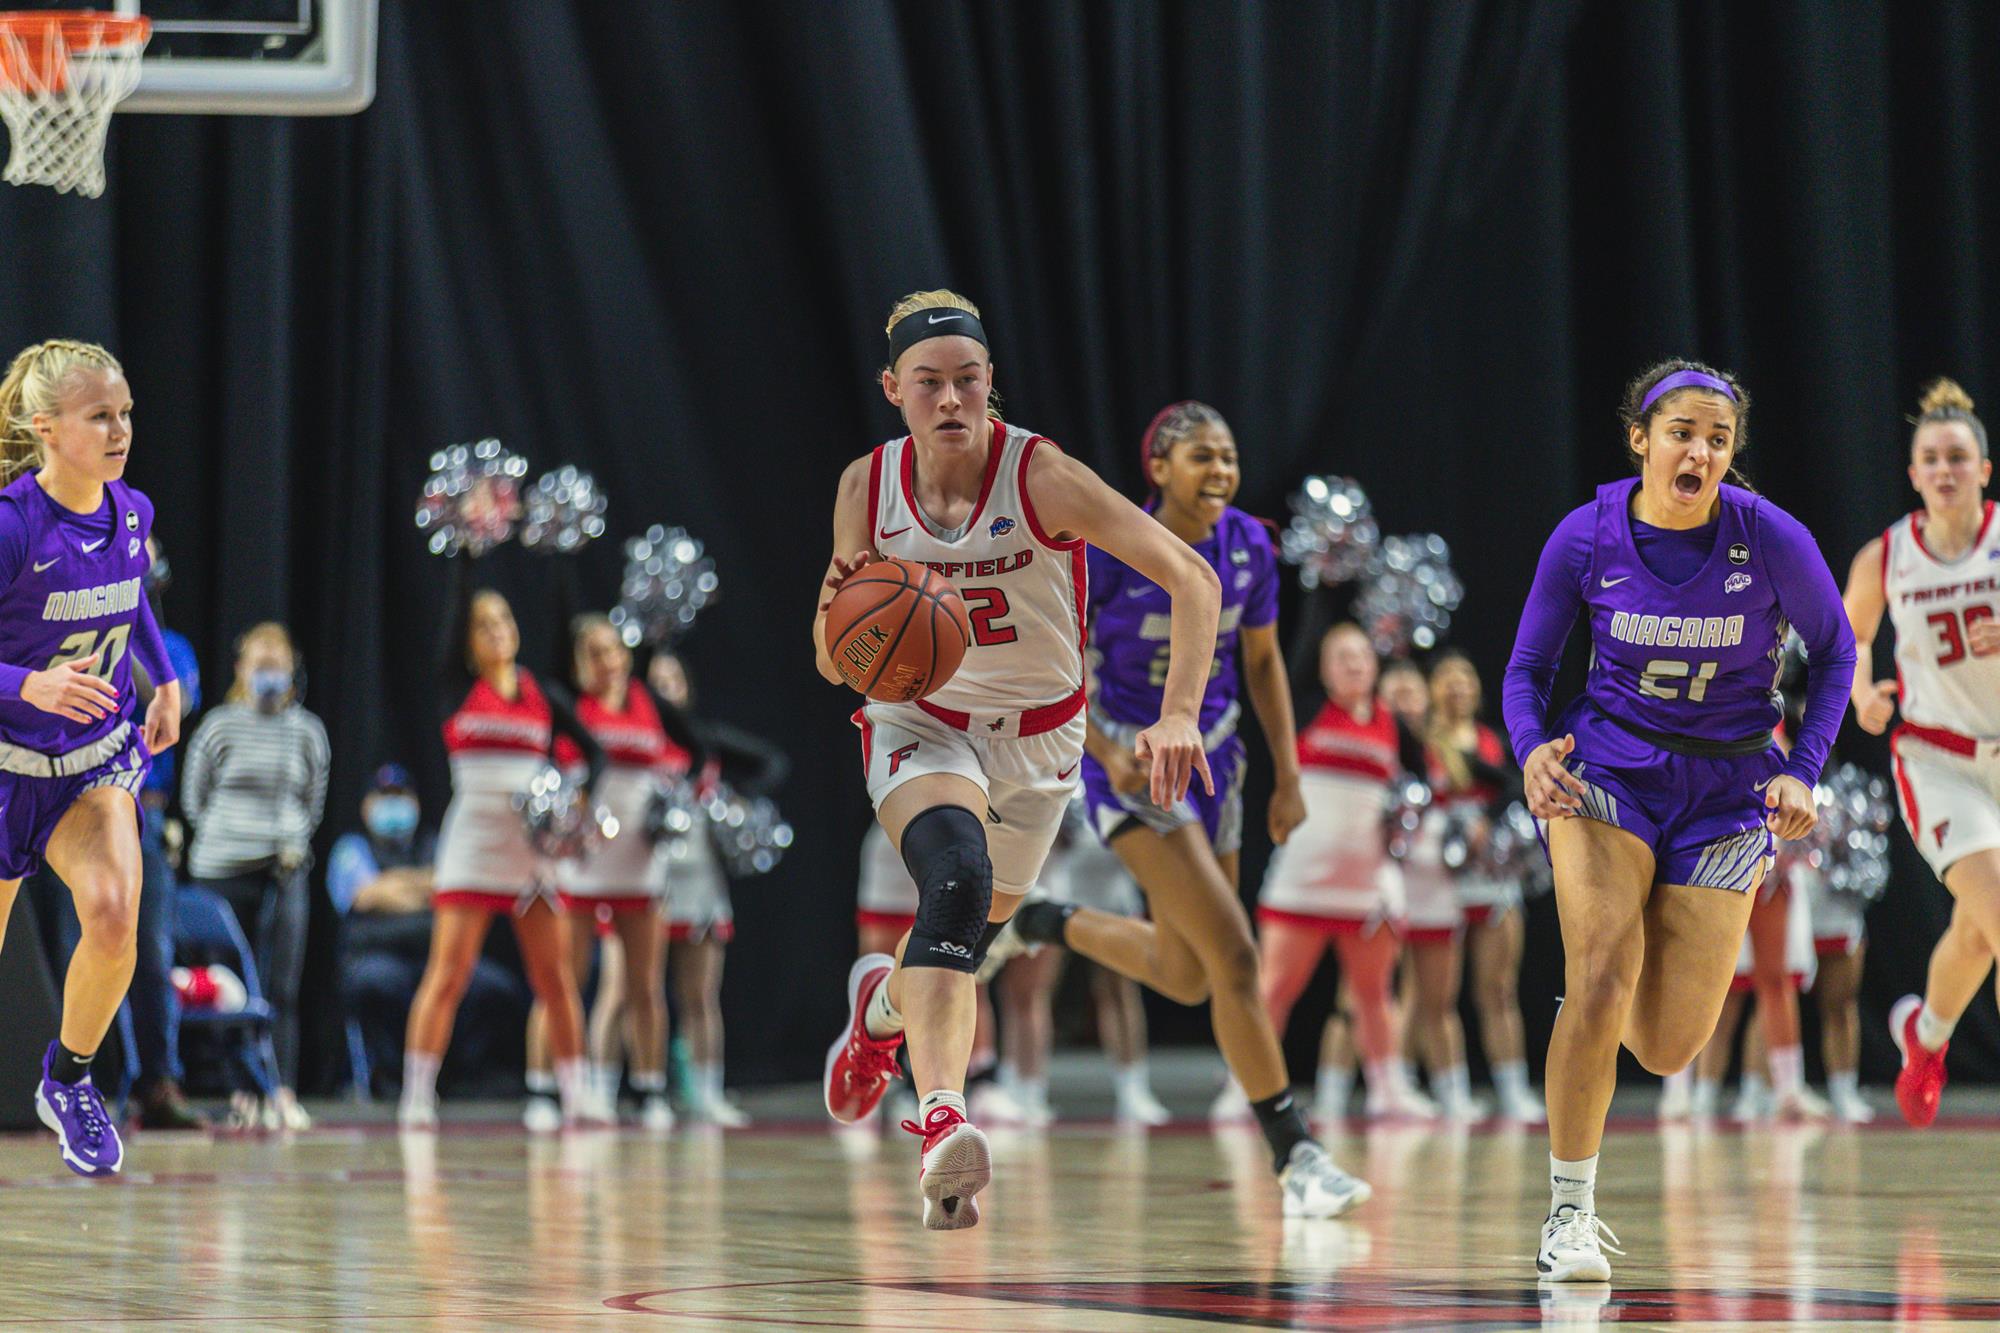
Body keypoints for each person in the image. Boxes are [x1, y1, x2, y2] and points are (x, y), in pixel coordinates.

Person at [816, 294, 1249, 1232]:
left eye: (967, 380)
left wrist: (1178, 714)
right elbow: (831, 655)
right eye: (928, 383)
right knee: (954, 877)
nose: (950, 399)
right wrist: (847, 621)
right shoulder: (866, 486)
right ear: (893, 389)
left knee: (963, 934)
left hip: (1041, 741)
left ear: (989, 384)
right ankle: (943, 1123)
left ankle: (877, 1013)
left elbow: (1195, 577)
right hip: (923, 720)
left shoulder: (1040, 476)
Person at [1503, 359, 1854, 1282]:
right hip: (1609, 767)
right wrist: (1531, 749)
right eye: (1682, 433)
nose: (1699, 451)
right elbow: (1527, 670)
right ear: (1641, 440)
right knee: (1602, 970)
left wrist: (1804, 771)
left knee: (1665, 1046)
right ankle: (1569, 1214)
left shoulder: (1769, 535)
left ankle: (1589, 1009)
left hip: (1730, 788)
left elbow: (1836, 650)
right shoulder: (1585, 535)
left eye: (1718, 439)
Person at [978, 398, 1369, 1208]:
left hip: (1217, 757)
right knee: (1236, 956)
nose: (1221, 470)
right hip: (1131, 763)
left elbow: (1262, 664)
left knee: (1191, 973)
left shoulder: (1250, 544)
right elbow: (1051, 671)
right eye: (1202, 456)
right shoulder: (1112, 551)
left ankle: (1040, 921)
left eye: (1228, 456)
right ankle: (1295, 1153)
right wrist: (1105, 751)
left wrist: (1287, 773)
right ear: (1157, 468)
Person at [0, 339, 183, 1176]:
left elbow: (131, 593)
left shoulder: (131, 511)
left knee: (113, 914)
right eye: (100, 415)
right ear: (47, 427)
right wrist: (28, 684)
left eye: (127, 413)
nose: (121, 430)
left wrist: (163, 677)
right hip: (7, 763)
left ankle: (69, 1078)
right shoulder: (13, 526)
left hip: (90, 763)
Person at [398, 561, 607, 1129]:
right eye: (482, 624)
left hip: (531, 851)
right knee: (448, 973)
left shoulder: (543, 693)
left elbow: (595, 753)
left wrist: (578, 799)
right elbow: (453, 611)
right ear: (467, 640)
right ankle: (417, 1095)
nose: (495, 630)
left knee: (555, 978)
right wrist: (467, 548)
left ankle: (576, 1096)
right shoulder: (457, 686)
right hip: (472, 845)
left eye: (503, 620)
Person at [1842, 378, 2000, 1129]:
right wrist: (1862, 693)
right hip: (1938, 761)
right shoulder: (1888, 555)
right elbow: (1849, 636)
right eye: (1931, 458)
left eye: (1957, 457)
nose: (1944, 469)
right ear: (1913, 473)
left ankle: (1925, 1036)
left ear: (1984, 469)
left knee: (1977, 929)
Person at [522, 616, 703, 1133]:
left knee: (645, 985)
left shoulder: (649, 702)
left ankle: (648, 1091)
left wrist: (674, 801)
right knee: (563, 982)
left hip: (640, 859)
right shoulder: (570, 706)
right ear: (580, 661)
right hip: (582, 860)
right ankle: (545, 1089)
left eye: (614, 650)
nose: (609, 661)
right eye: (596, 653)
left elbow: (701, 750)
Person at [1253, 622, 1428, 1120]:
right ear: (1324, 669)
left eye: (1361, 656)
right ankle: (1247, 1090)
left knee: (1374, 995)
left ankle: (1387, 1089)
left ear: (1376, 666)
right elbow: (1295, 655)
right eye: (1341, 657)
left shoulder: (1393, 723)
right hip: (1302, 882)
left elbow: (1421, 786)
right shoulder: (1307, 708)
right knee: (1273, 991)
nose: (1353, 665)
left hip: (1367, 887)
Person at [180, 622, 329, 1129]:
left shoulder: (307, 731)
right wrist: (230, 838)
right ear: (241, 670)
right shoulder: (218, 726)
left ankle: (281, 1090)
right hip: (220, 869)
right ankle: (240, 1090)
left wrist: (288, 841)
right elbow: (195, 799)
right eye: (259, 665)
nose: (269, 674)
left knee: (280, 986)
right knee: (229, 988)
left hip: (282, 871)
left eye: (277, 665)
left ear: (293, 672)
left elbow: (313, 801)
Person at [328, 765, 526, 1098]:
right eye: (384, 797)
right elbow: (367, 895)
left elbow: (445, 887)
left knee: (491, 986)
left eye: (400, 796)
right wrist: (420, 886)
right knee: (379, 984)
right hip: (376, 954)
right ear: (366, 806)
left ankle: (460, 1079)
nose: (393, 805)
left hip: (430, 954)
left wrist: (394, 886)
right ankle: (389, 1081)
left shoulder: (434, 843)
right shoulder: (352, 848)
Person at [651, 648, 786, 1128]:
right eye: (656, 681)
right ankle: (645, 1092)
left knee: (700, 996)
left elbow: (772, 762)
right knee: (632, 993)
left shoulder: (704, 740)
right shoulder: (635, 737)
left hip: (701, 878)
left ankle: (708, 1094)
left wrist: (738, 801)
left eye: (674, 680)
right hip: (646, 878)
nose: (666, 690)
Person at [1427, 651, 1543, 1123]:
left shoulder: (1493, 739)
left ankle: (1513, 1092)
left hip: (1492, 875)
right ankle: (1447, 1093)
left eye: (1466, 677)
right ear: (1433, 690)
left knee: (1498, 991)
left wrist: (1487, 820)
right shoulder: (1422, 740)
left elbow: (1516, 786)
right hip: (1436, 876)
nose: (1458, 686)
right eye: (1447, 678)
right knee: (1433, 996)